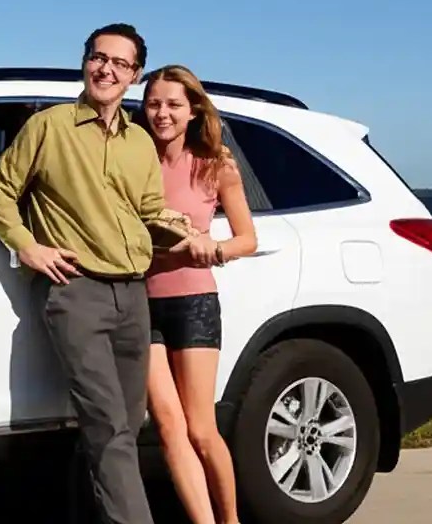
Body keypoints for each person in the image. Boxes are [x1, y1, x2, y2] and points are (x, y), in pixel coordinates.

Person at [0, 22, 184, 524]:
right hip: (78, 294)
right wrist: (27, 247)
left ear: (134, 75)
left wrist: (185, 233)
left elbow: (150, 210)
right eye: (99, 57)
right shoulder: (48, 127)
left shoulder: (139, 142)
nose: (106, 69)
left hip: (134, 297)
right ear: (85, 61)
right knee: (109, 426)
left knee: (121, 427)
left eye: (119, 63)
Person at [137, 64, 257, 524]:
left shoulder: (215, 164)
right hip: (140, 302)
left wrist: (215, 248)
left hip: (193, 303)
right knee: (168, 426)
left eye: (172, 105)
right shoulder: (134, 157)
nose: (161, 114)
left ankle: (230, 519)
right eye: (153, 103)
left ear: (192, 111)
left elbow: (248, 238)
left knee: (201, 428)